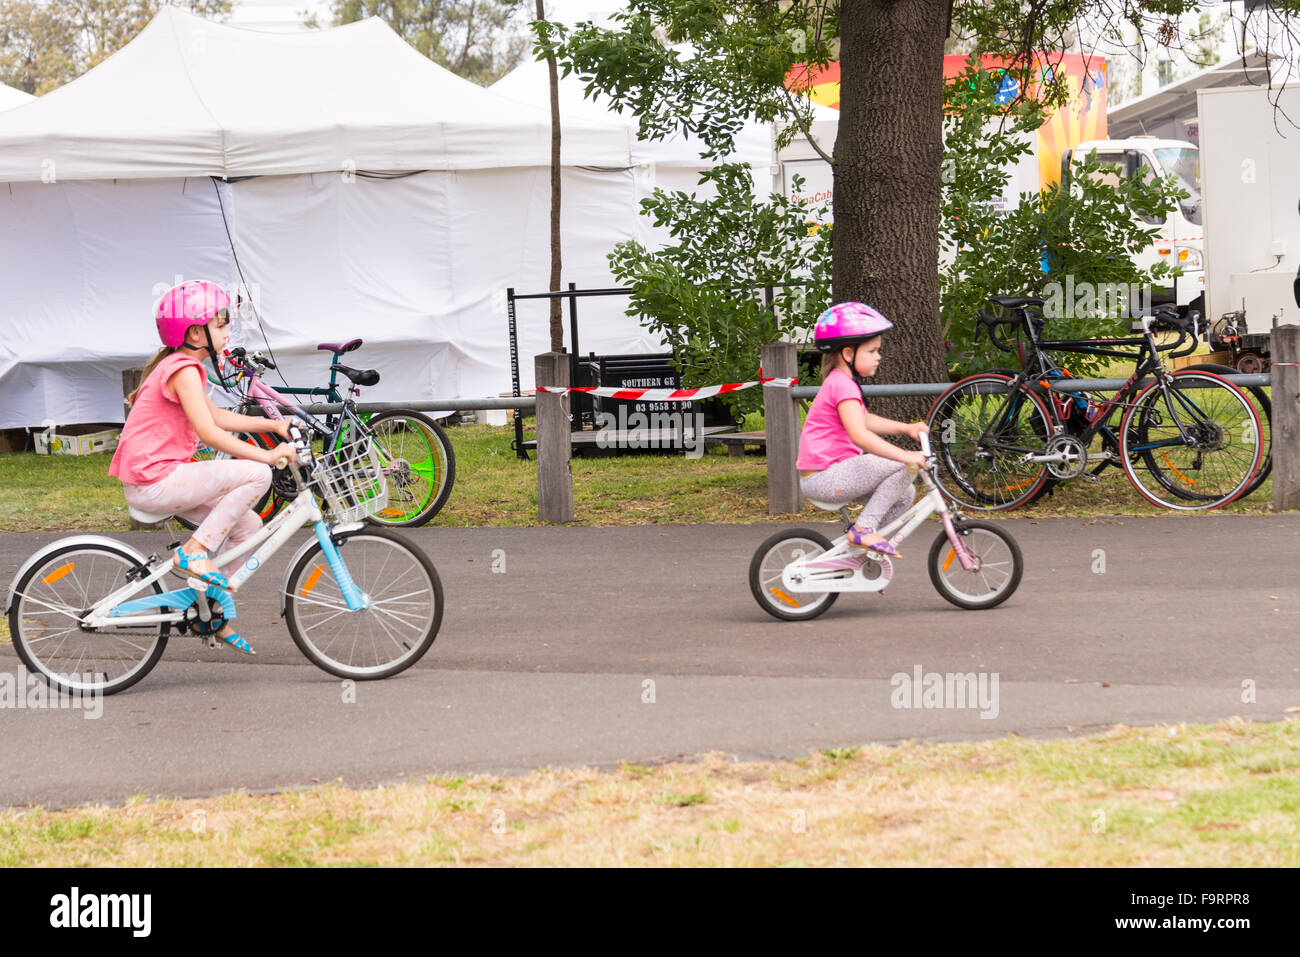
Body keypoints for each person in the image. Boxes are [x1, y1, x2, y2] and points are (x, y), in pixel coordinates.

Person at [109, 280, 295, 654]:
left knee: (249, 526)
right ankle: (194, 552)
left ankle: (212, 611)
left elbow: (219, 417)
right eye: (221, 324)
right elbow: (209, 434)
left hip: (162, 479)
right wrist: (267, 457)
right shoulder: (182, 370)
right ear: (196, 333)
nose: (228, 332)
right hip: (156, 482)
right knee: (257, 474)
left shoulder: (186, 367)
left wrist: (273, 426)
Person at [796, 302, 930, 556]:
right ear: (848, 353)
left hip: (831, 475)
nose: (878, 356)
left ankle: (858, 555)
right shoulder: (842, 385)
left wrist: (907, 428)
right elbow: (860, 435)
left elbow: (864, 421)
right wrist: (907, 456)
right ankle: (864, 530)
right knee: (905, 467)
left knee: (905, 493)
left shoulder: (842, 382)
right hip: (826, 478)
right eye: (872, 350)